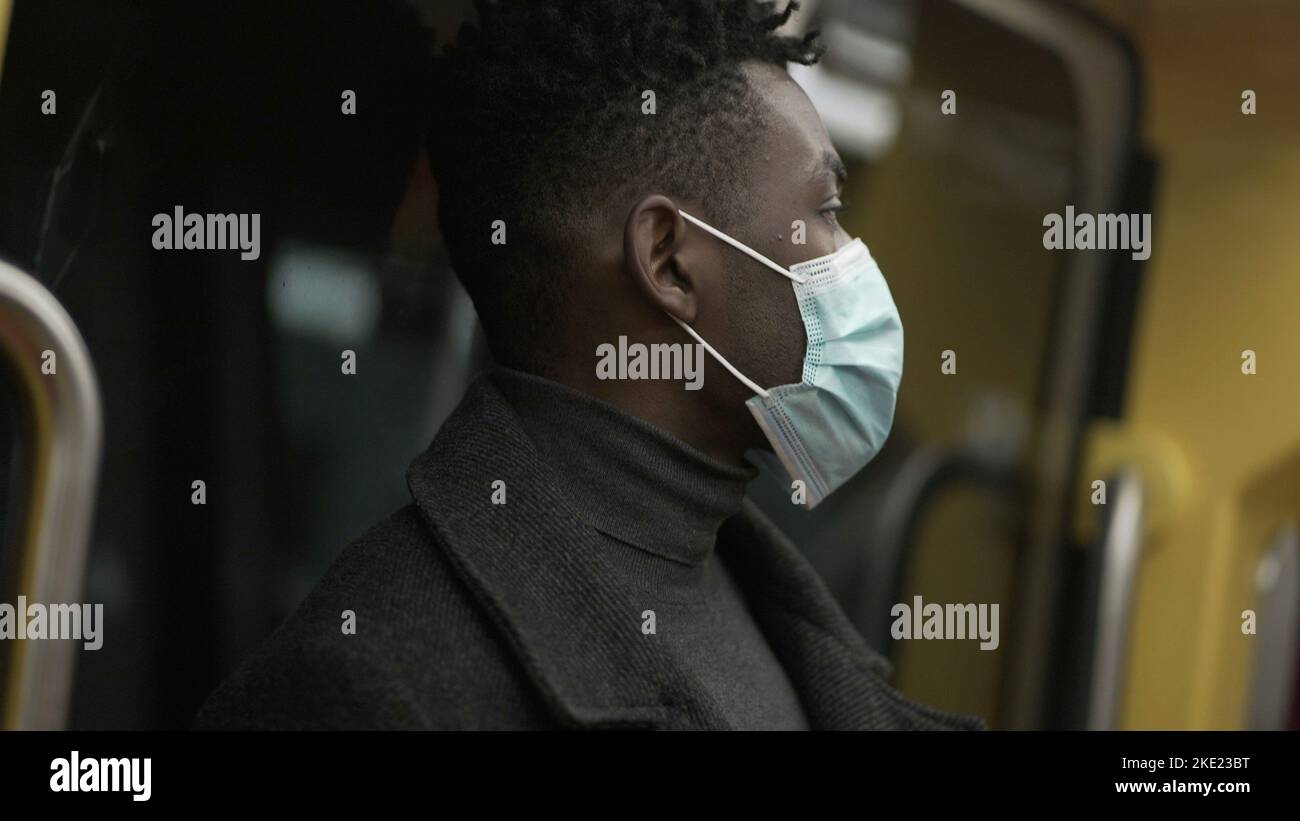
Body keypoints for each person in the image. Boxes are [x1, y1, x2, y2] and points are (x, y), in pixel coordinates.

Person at [194, 0, 984, 731]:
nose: (853, 261)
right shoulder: (366, 687)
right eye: (827, 212)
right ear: (670, 263)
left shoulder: (761, 600)